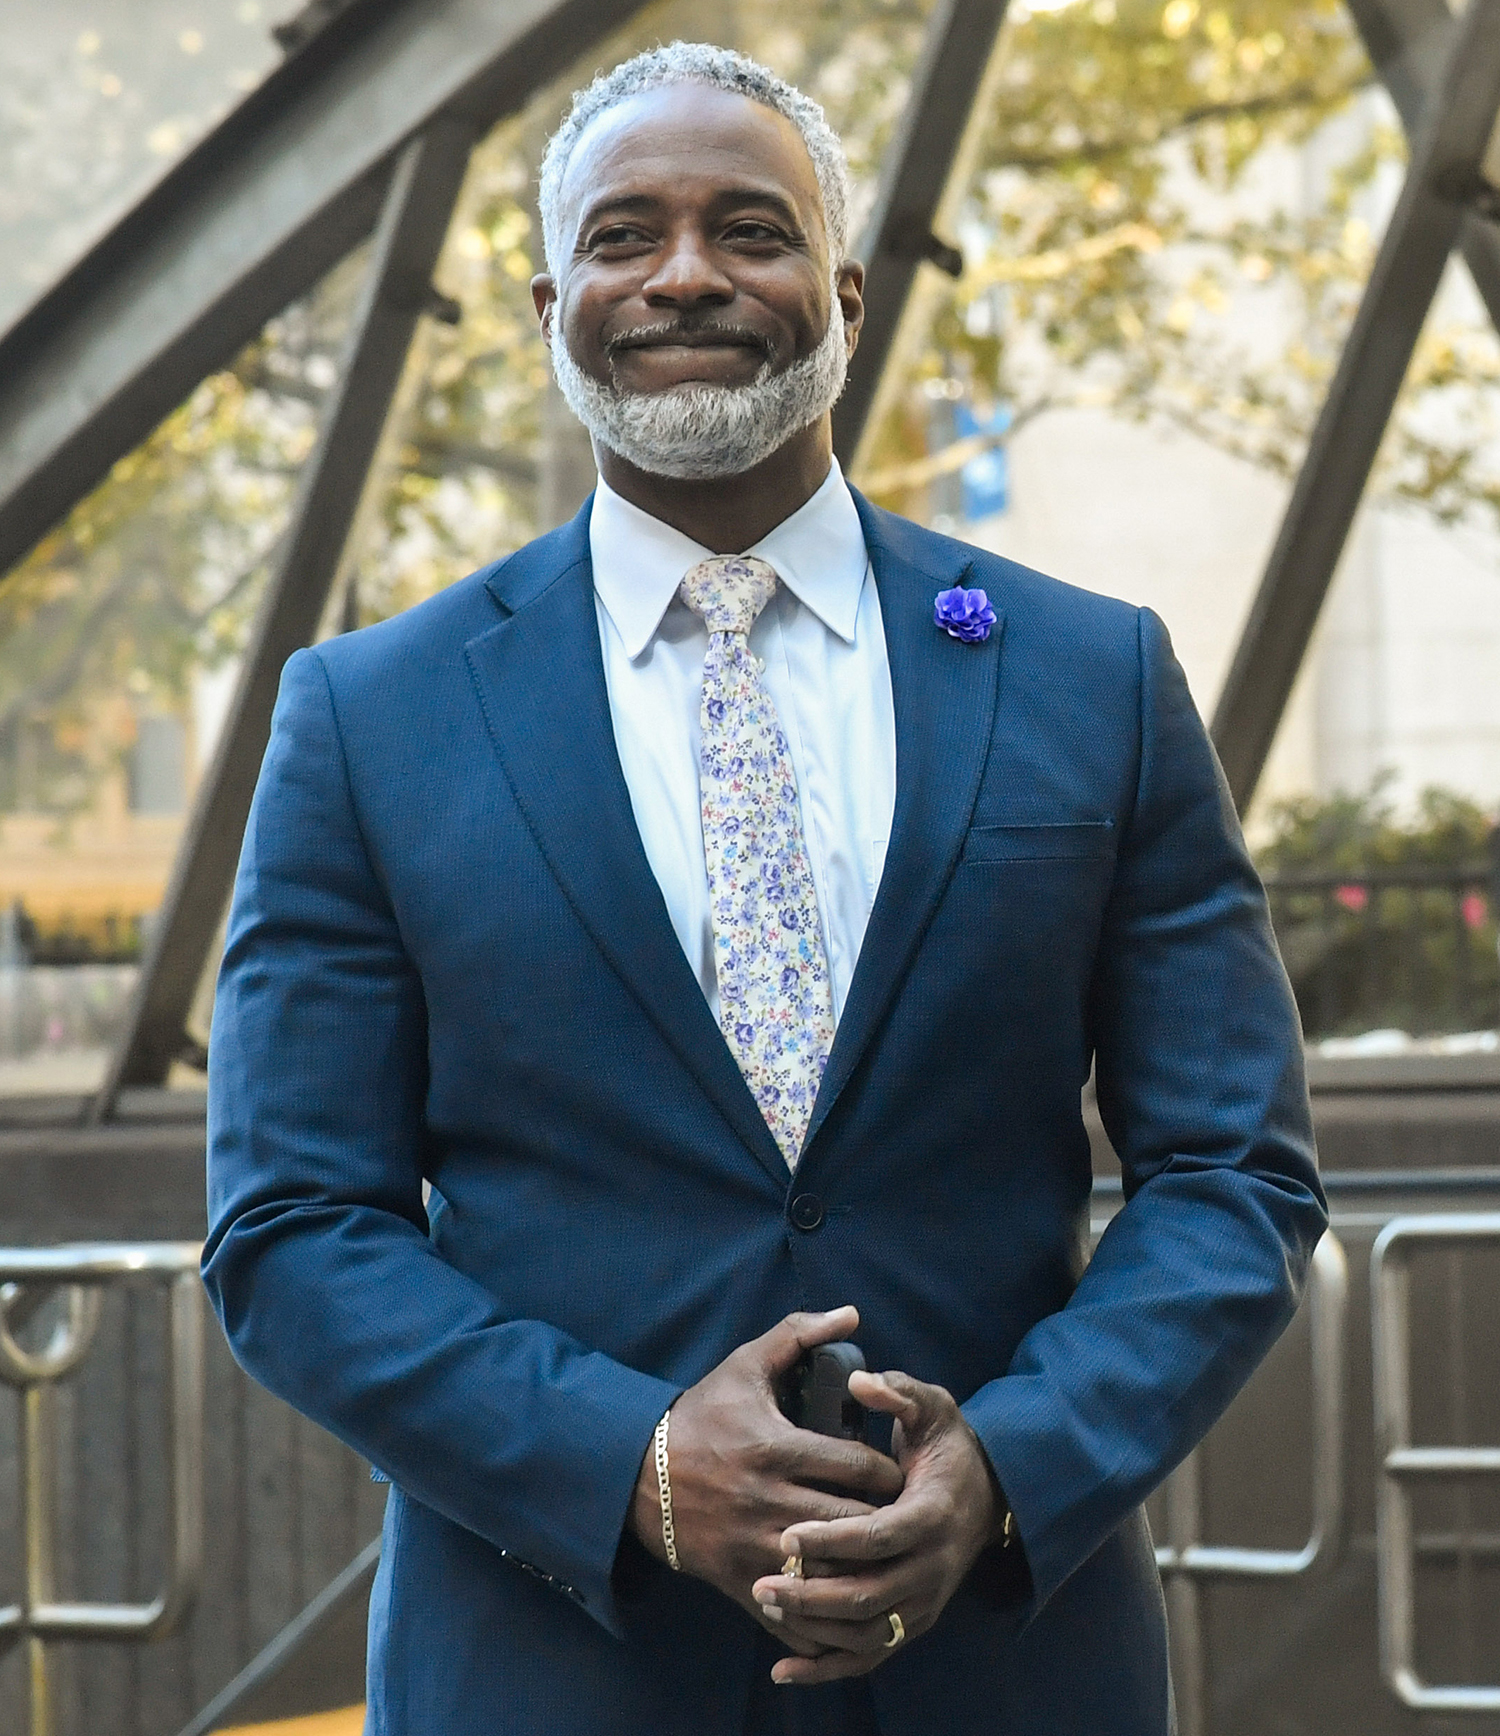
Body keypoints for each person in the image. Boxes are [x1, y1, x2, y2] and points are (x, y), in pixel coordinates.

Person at [203, 42, 1326, 1736]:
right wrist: (635, 1462)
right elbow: (289, 1230)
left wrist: (1010, 1469)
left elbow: (1235, 1168)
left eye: (751, 229)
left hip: (1010, 1673)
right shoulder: (372, 715)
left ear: (848, 296)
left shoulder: (1092, 675)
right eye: (622, 236)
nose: (684, 276)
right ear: (548, 301)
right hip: (549, 1672)